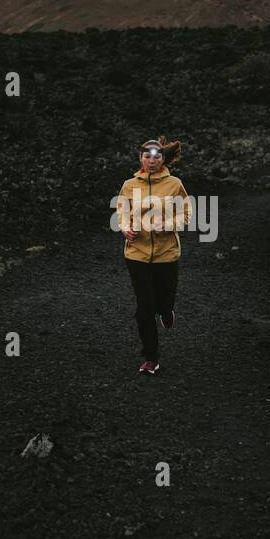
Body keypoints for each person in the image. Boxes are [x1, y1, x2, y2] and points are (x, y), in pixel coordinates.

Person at [115, 135, 193, 374]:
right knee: (144, 307)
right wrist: (125, 229)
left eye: (156, 156)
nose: (151, 160)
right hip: (136, 255)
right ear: (141, 158)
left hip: (166, 254)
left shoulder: (174, 184)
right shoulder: (129, 185)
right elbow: (122, 212)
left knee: (165, 298)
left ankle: (167, 309)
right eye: (147, 155)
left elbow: (186, 214)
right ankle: (151, 357)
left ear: (162, 159)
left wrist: (169, 224)